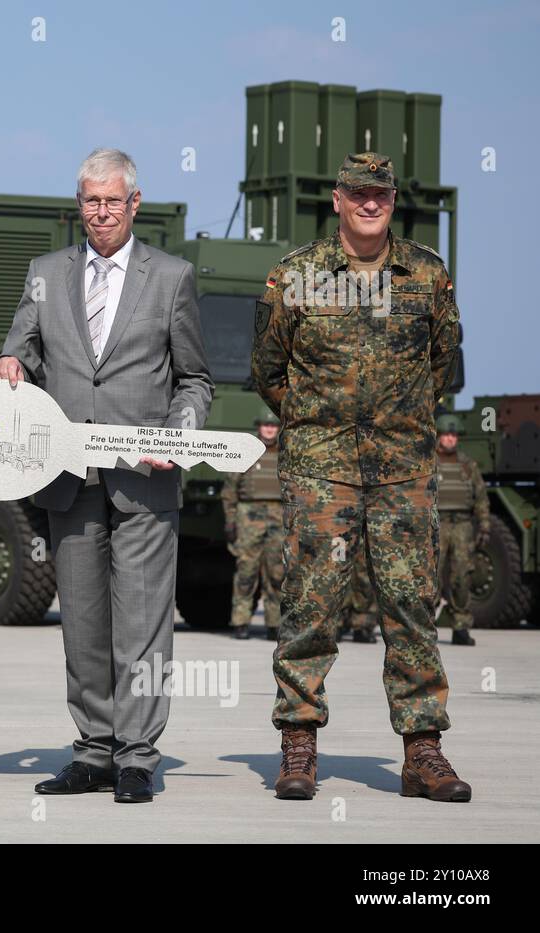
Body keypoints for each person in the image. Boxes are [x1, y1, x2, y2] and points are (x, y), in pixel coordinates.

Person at [0, 148, 213, 803]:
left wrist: (182, 432)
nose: (102, 212)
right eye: (91, 200)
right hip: (67, 477)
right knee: (83, 626)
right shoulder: (44, 273)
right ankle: (92, 750)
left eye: (113, 200)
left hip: (146, 478)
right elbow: (19, 352)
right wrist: (7, 365)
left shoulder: (171, 278)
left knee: (142, 625)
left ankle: (138, 756)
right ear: (78, 204)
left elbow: (194, 378)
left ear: (135, 204)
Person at [252, 152, 471, 802]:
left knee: (410, 609)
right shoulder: (296, 275)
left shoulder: (427, 273)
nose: (369, 202)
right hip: (322, 472)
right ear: (338, 200)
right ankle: (298, 741)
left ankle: (423, 750)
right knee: (310, 606)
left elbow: (443, 363)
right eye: (357, 192)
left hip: (402, 470)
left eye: (380, 192)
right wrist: (319, 424)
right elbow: (269, 370)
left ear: (393, 199)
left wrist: (396, 421)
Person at [222, 412, 284, 641]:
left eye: (273, 425)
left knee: (276, 573)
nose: (269, 429)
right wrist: (230, 521)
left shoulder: (286, 453)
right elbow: (229, 491)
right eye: (265, 425)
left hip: (278, 516)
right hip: (248, 516)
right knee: (246, 571)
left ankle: (274, 624)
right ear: (259, 427)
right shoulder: (245, 452)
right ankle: (240, 622)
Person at [433, 414, 490, 645]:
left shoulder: (468, 465)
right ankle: (426, 628)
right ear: (439, 436)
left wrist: (484, 526)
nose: (450, 439)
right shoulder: (429, 463)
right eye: (446, 434)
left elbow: (481, 498)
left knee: (462, 577)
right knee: (431, 577)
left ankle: (461, 627)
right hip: (437, 524)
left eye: (454, 435)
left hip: (462, 525)